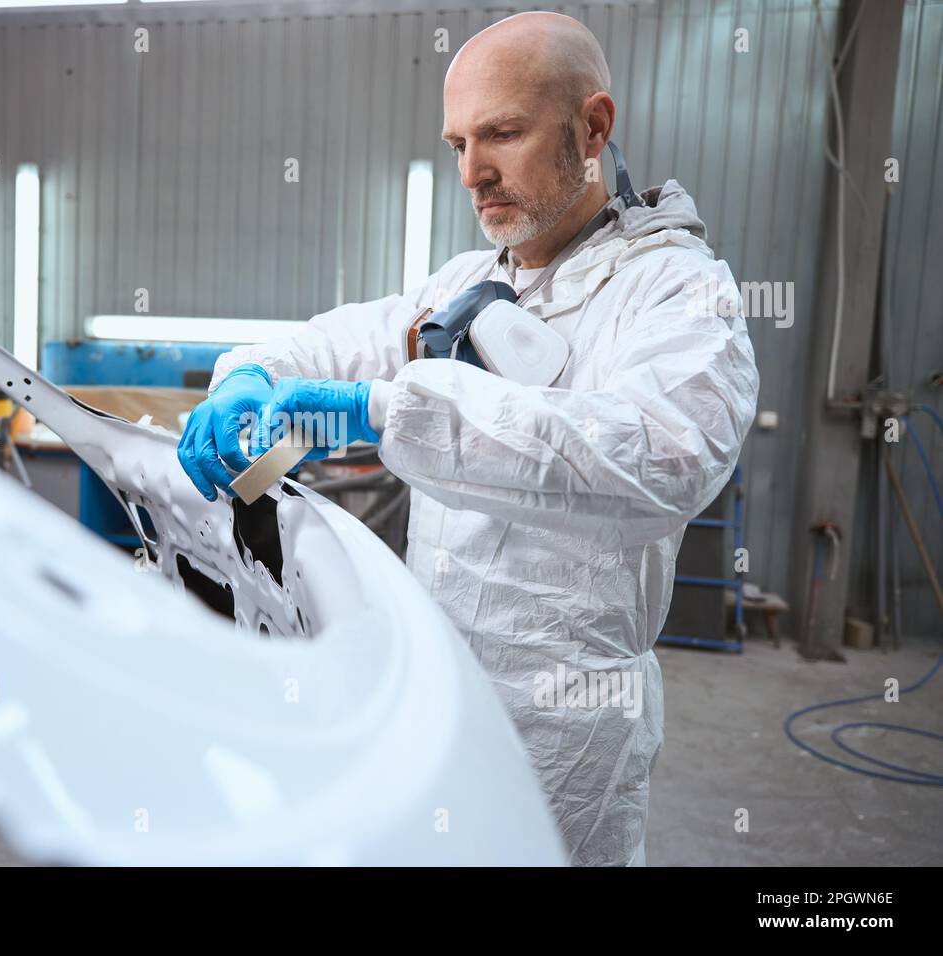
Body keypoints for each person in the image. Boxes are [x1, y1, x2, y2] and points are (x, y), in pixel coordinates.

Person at [177, 10, 758, 865]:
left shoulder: (676, 294)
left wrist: (386, 410)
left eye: (503, 134)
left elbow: (660, 456)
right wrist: (249, 377)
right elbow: (340, 339)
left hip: (567, 723)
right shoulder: (470, 283)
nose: (472, 173)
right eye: (457, 144)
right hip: (437, 687)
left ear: (593, 127)